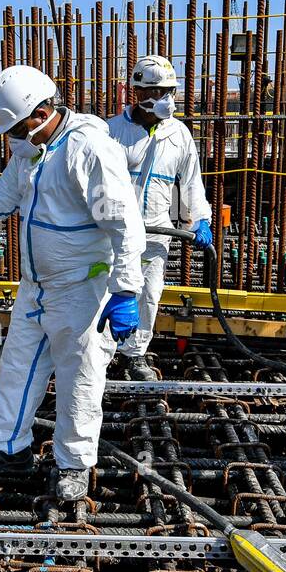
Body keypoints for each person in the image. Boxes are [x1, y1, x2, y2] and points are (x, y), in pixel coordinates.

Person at [0, 65, 145, 502]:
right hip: (36, 286)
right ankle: (8, 450)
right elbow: (3, 198)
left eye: (16, 127)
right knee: (17, 369)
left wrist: (127, 290)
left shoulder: (87, 148)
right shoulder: (32, 150)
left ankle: (73, 465)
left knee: (80, 378)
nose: (11, 137)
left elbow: (125, 225)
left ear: (40, 113)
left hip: (81, 288)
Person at [106, 54, 213, 380]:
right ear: (136, 93)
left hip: (156, 232)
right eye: (155, 92)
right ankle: (101, 353)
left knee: (149, 295)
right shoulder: (111, 131)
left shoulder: (178, 134)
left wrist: (199, 219)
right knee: (105, 292)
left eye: (168, 91)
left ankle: (134, 355)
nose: (163, 99)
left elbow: (191, 182)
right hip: (111, 233)